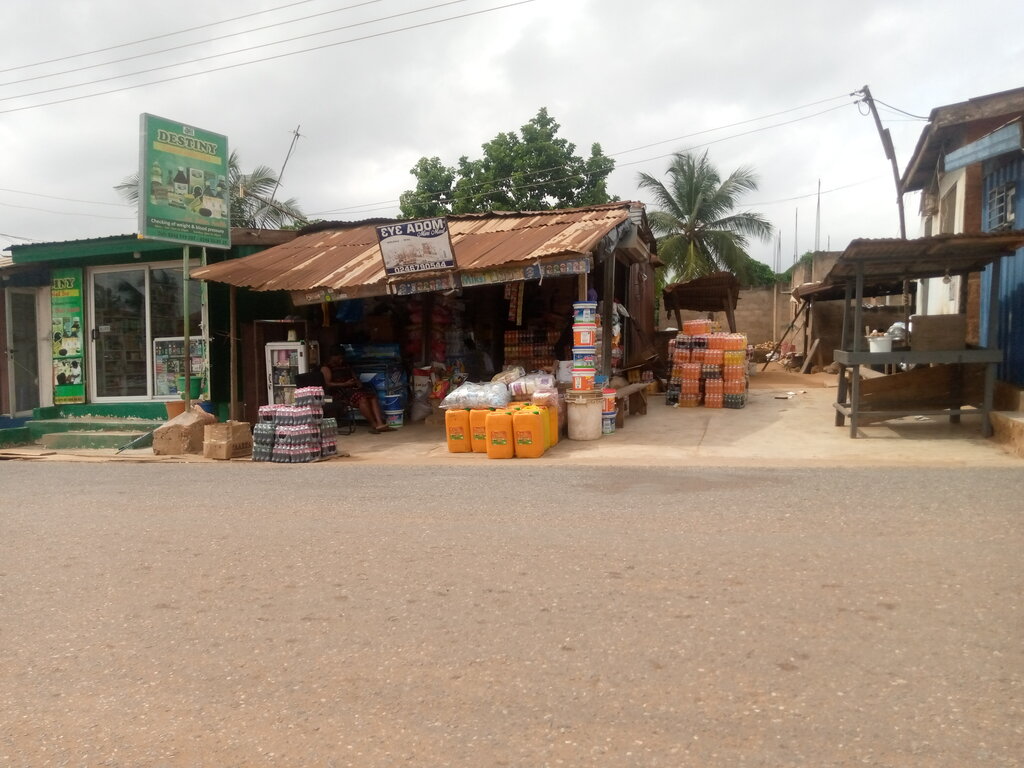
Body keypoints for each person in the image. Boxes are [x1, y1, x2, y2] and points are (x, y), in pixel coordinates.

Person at [321, 346, 394, 433]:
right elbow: (328, 384)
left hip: (352, 389)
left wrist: (357, 382)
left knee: (372, 396)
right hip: (340, 392)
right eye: (339, 358)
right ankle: (373, 424)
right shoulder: (326, 368)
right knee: (362, 399)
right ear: (333, 357)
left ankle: (380, 423)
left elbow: (354, 376)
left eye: (342, 358)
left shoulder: (345, 365)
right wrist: (344, 384)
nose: (341, 360)